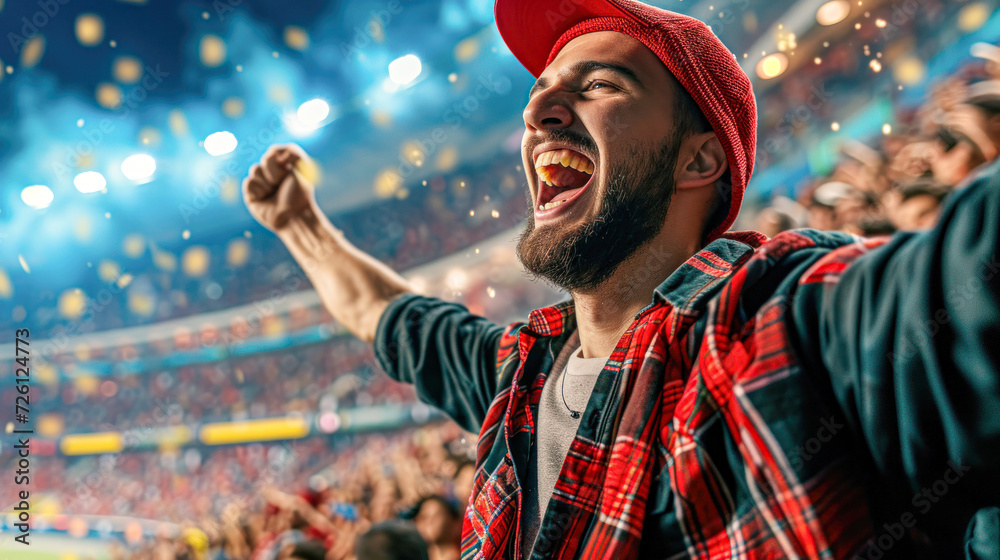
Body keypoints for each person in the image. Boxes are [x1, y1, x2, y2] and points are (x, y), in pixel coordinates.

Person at [242, 0, 1000, 557]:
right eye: (544, 89)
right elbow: (384, 311)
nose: (540, 106)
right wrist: (298, 224)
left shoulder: (794, 324)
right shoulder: (518, 380)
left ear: (698, 159)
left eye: (598, 85)